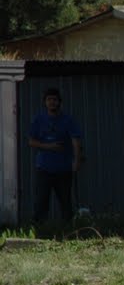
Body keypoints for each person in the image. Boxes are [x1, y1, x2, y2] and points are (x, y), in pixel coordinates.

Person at [27, 87, 84, 224]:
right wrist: (49, 146)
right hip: (44, 167)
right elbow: (31, 141)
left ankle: (67, 228)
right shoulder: (39, 119)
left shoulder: (67, 120)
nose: (52, 102)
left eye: (54, 100)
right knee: (41, 200)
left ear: (59, 102)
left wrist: (76, 160)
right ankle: (40, 228)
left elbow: (76, 140)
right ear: (44, 102)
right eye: (49, 100)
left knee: (65, 200)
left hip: (63, 168)